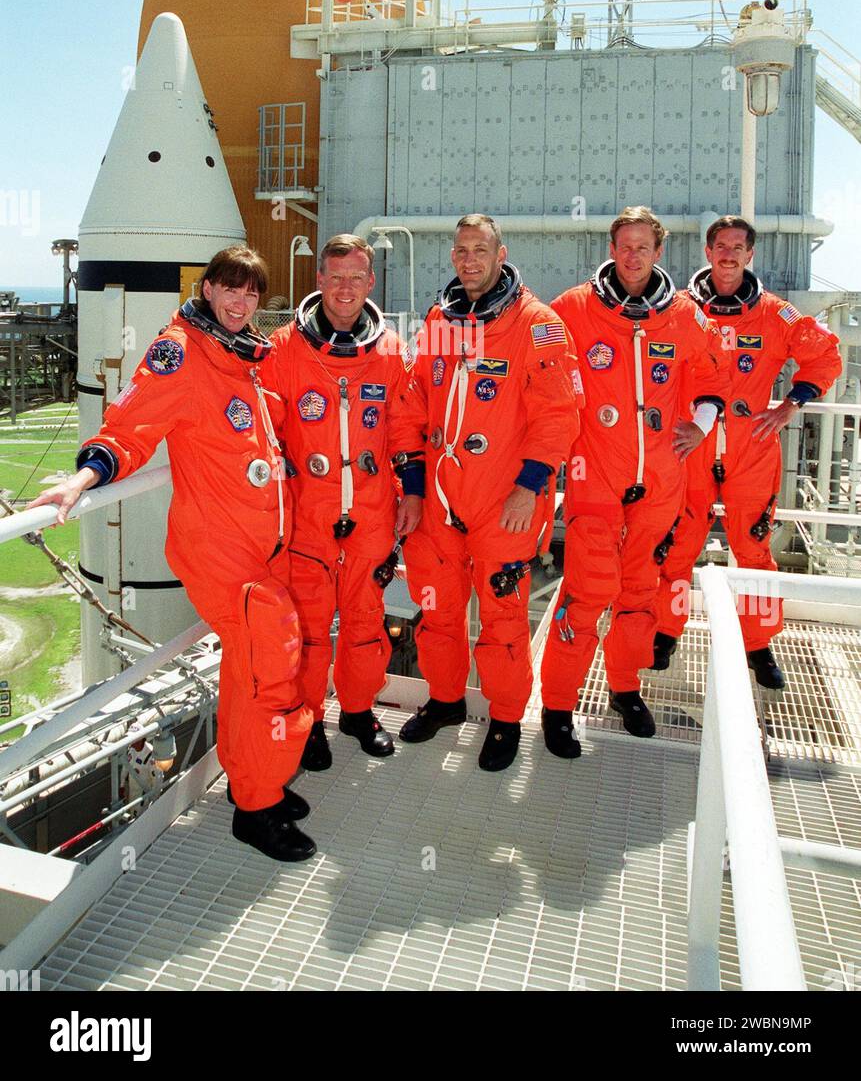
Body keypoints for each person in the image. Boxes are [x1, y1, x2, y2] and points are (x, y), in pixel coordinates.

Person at [27, 246, 315, 864]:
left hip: (263, 544)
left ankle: (254, 783)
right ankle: (257, 810)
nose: (240, 303)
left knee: (250, 671)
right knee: (272, 661)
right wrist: (84, 478)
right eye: (230, 289)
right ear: (208, 289)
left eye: (251, 294)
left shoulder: (241, 357)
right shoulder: (181, 351)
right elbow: (130, 426)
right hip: (221, 548)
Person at [390, 214, 582, 772]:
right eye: (460, 251)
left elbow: (557, 415)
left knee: (502, 617)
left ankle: (504, 718)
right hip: (440, 505)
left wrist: (529, 488)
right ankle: (446, 701)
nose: (469, 260)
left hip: (505, 502)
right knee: (437, 612)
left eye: (480, 250)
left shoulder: (536, 323)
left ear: (501, 253)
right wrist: (415, 489)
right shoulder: (442, 319)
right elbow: (413, 405)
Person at [541, 206, 732, 742]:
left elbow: (716, 368)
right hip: (595, 474)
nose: (632, 256)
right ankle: (558, 705)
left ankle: (625, 689)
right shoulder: (574, 308)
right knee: (586, 592)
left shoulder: (684, 313)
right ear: (611, 248)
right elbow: (538, 364)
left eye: (642, 247)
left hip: (661, 478)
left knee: (640, 592)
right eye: (624, 245)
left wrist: (702, 422)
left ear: (658, 252)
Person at [653, 216, 842, 687]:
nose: (729, 254)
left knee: (754, 549)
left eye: (738, 247)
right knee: (677, 544)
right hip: (690, 444)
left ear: (750, 255)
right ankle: (663, 630)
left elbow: (825, 356)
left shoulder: (777, 314)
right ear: (707, 251)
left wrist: (790, 404)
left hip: (751, 447)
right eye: (721, 246)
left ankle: (758, 645)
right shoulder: (677, 309)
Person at [264, 234, 420, 770]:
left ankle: (357, 711)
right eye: (336, 278)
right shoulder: (285, 348)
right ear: (319, 282)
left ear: (371, 283)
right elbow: (266, 433)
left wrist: (414, 493)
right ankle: (308, 724)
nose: (346, 289)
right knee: (308, 632)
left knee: (365, 623)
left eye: (356, 278)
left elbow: (405, 430)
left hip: (373, 514)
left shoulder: (391, 350)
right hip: (309, 516)